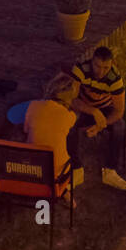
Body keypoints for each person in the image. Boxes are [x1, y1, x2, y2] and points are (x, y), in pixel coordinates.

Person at [68, 47, 126, 189]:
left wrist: (100, 125)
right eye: (97, 66)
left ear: (112, 64)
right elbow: (71, 100)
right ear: (92, 61)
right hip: (84, 107)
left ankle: (110, 171)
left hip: (105, 109)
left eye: (106, 67)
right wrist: (93, 111)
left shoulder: (115, 79)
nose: (101, 71)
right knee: (69, 123)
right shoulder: (80, 70)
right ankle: (76, 167)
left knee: (119, 126)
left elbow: (119, 110)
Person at [23, 73, 79, 206]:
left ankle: (63, 190)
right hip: (55, 174)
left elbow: (25, 130)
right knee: (69, 141)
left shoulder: (32, 106)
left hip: (31, 166)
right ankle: (64, 189)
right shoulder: (69, 116)